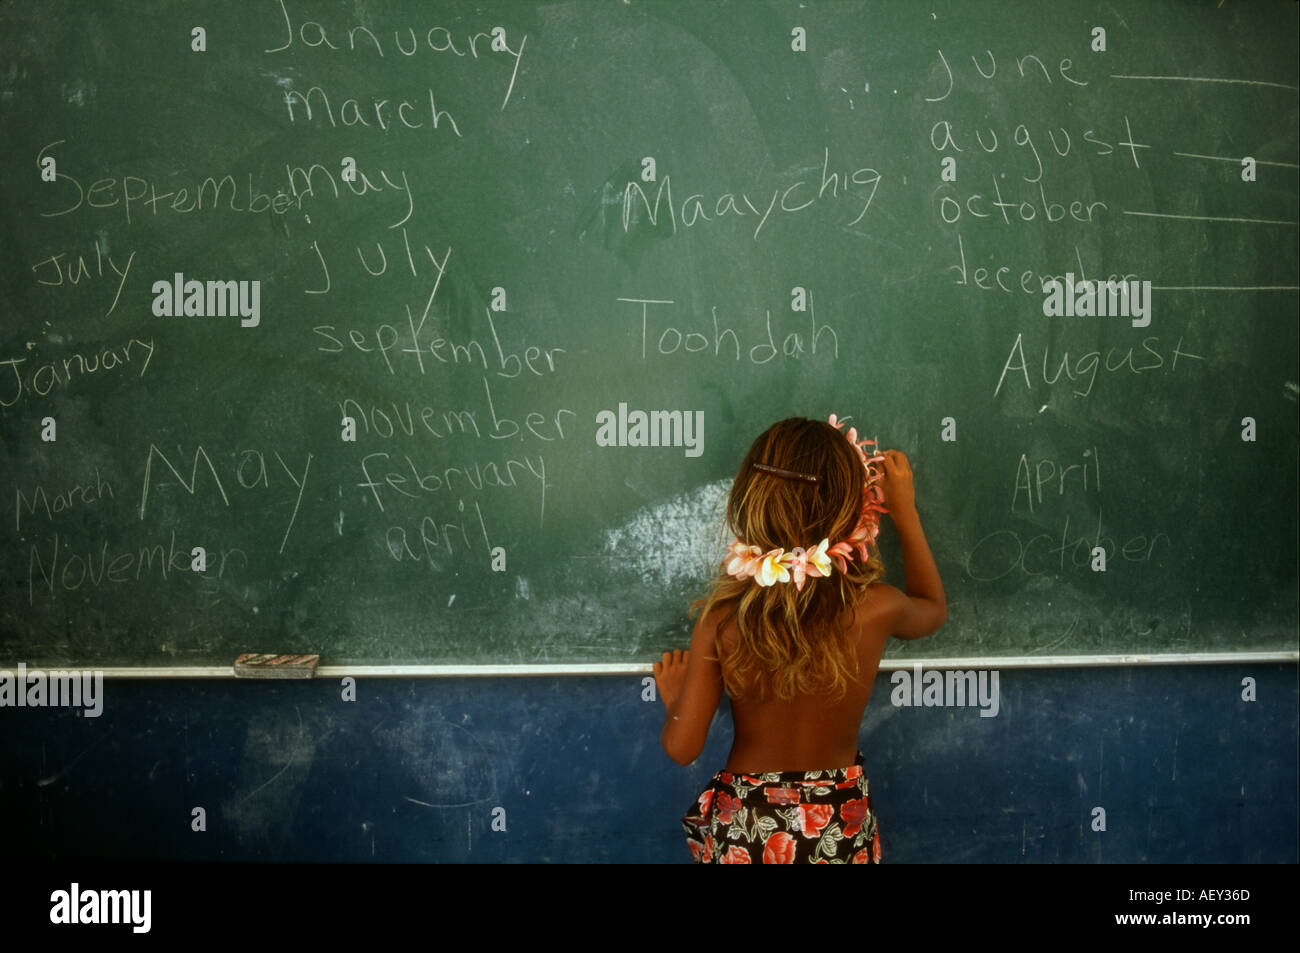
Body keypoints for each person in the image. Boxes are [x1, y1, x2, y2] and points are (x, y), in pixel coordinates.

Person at [653, 414, 946, 863]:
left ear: (750, 499)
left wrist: (676, 701)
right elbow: (933, 608)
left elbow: (682, 747)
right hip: (837, 824)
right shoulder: (877, 606)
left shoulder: (723, 619)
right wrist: (905, 511)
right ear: (856, 508)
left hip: (746, 825)